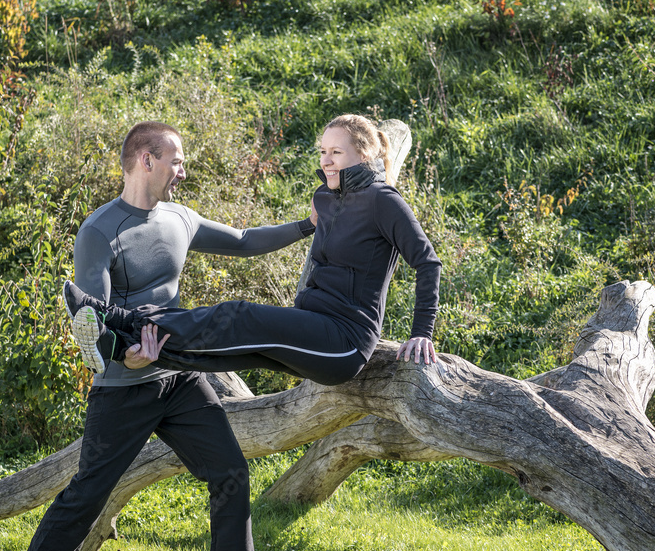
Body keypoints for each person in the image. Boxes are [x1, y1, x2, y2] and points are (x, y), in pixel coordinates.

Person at [0, 120, 318, 551]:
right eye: (176, 161)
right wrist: (128, 359)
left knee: (230, 474)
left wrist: (308, 225)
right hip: (124, 388)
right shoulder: (100, 231)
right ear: (145, 160)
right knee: (87, 494)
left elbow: (246, 241)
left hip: (180, 379)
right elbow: (95, 323)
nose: (183, 171)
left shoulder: (180, 219)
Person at [63, 113, 442, 386]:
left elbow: (427, 262)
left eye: (336, 153)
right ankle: (119, 341)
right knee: (217, 352)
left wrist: (422, 331)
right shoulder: (327, 198)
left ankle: (110, 317)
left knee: (239, 315)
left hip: (343, 342)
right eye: (323, 151)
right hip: (311, 327)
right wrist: (306, 224)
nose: (325, 160)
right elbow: (262, 236)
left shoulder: (383, 201)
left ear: (362, 155)